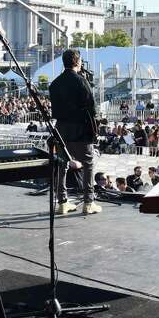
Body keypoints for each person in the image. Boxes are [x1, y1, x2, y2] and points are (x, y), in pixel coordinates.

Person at [50, 49, 101, 215]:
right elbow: (92, 108)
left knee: (62, 165)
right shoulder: (81, 81)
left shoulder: (55, 83)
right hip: (80, 129)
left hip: (61, 129)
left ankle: (62, 202)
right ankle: (88, 202)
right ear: (77, 62)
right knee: (88, 164)